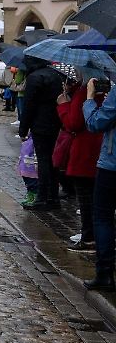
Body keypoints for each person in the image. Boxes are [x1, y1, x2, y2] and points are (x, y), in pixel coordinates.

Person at [60, 75, 101, 252]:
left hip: (85, 150)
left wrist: (63, 105)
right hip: (100, 150)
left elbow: (73, 122)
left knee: (86, 198)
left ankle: (89, 237)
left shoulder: (86, 91)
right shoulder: (103, 88)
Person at [20, 55, 66, 211]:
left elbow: (29, 105)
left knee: (43, 160)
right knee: (52, 161)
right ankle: (53, 197)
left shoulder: (34, 77)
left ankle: (42, 198)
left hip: (40, 123)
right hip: (54, 122)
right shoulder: (55, 75)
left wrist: (23, 129)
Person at [84, 78, 116, 290]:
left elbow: (96, 123)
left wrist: (89, 100)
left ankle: (104, 274)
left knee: (103, 217)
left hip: (112, 165)